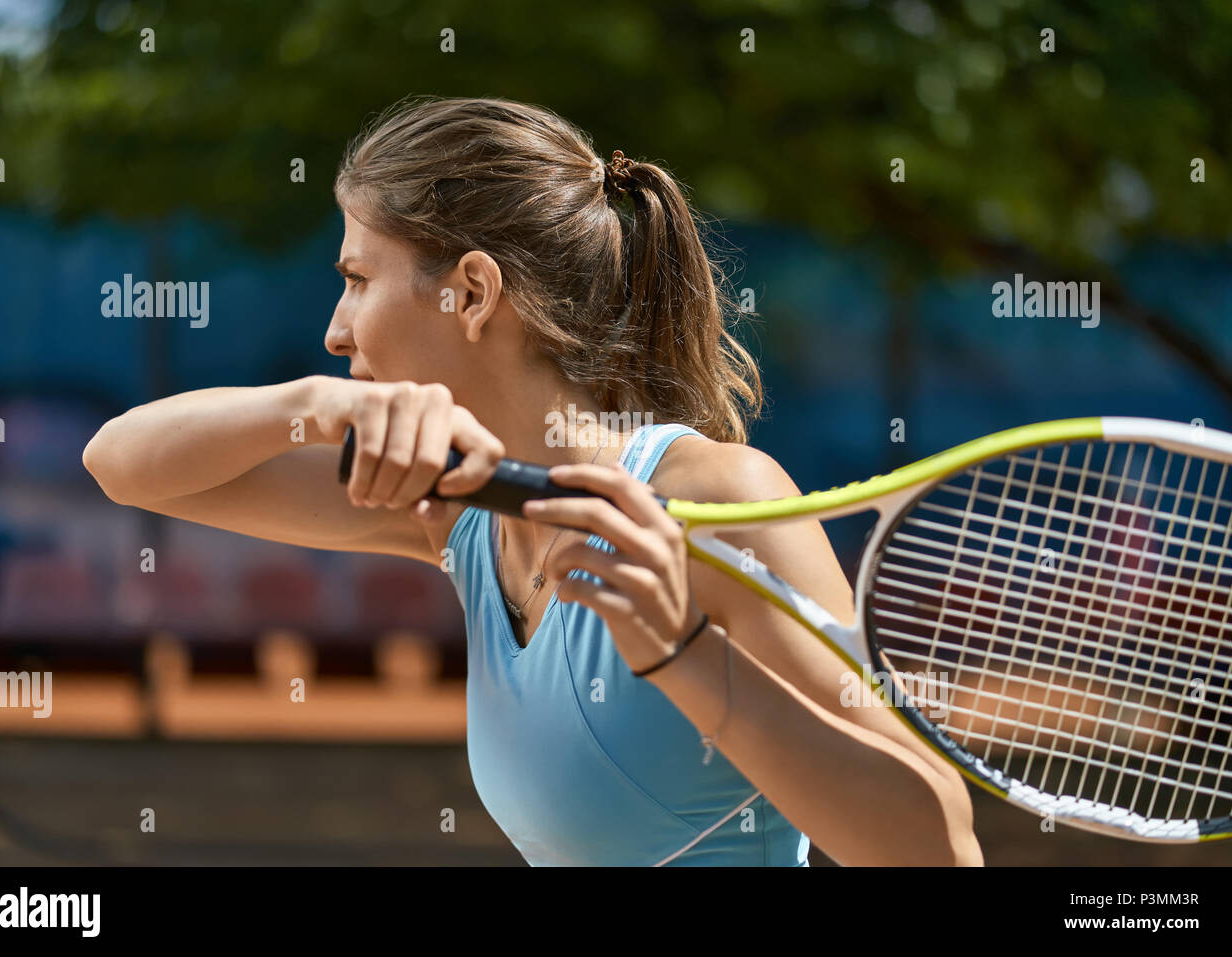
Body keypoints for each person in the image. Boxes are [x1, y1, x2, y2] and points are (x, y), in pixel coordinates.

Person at [84, 96, 982, 866]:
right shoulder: (460, 515)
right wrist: (315, 407)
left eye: (358, 279)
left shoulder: (722, 501)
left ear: (471, 292)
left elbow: (938, 846)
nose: (336, 328)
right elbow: (121, 463)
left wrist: (680, 652)